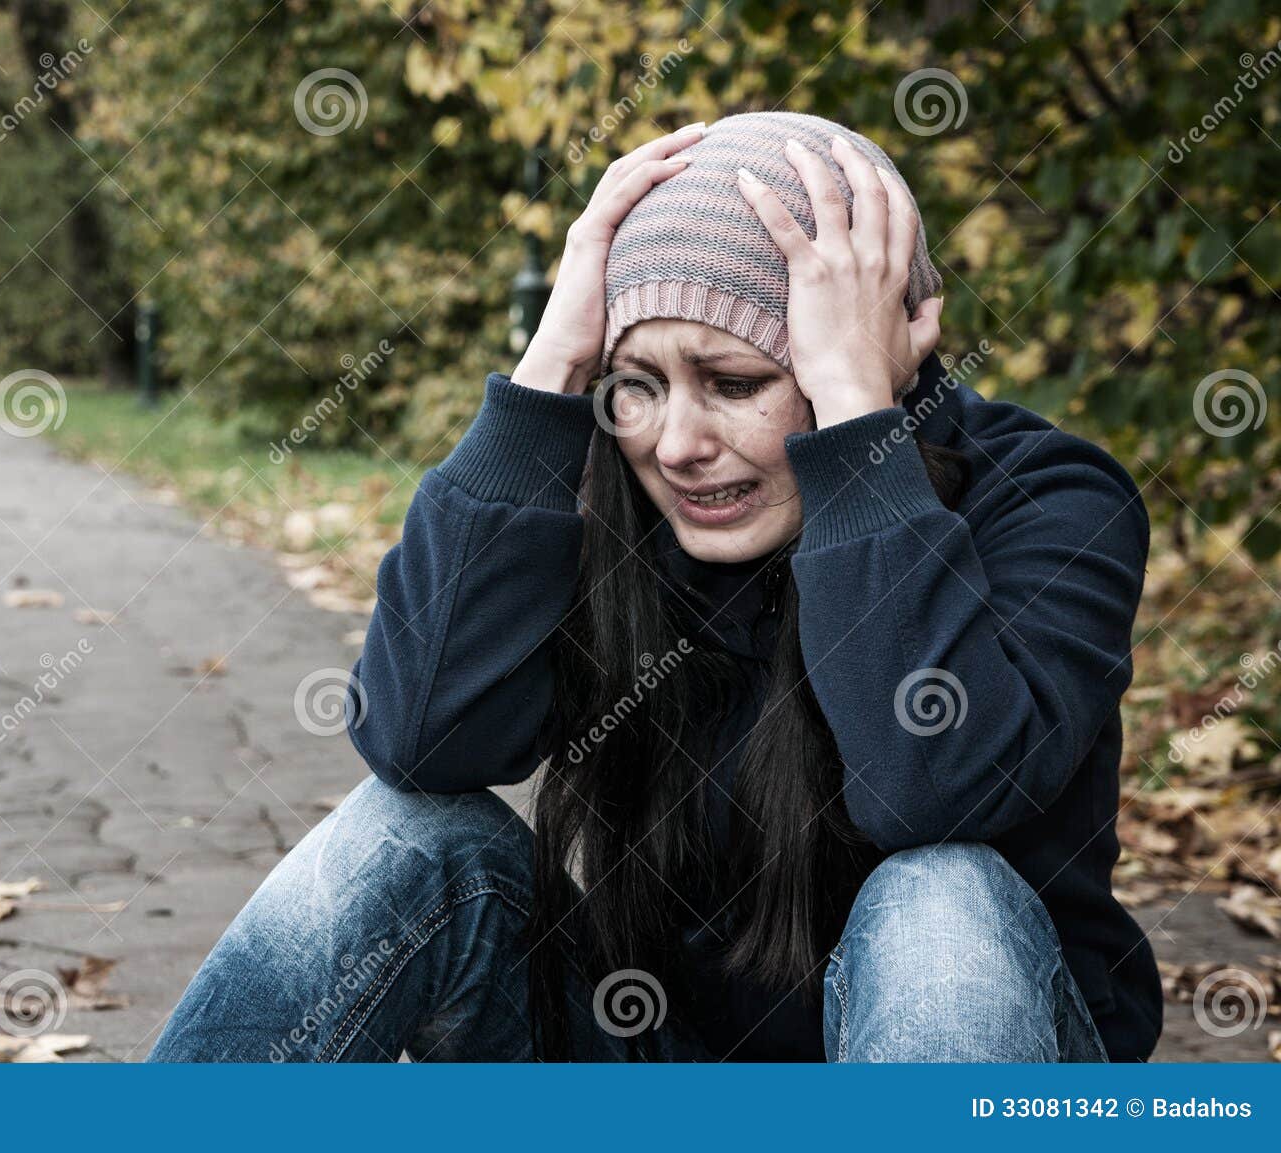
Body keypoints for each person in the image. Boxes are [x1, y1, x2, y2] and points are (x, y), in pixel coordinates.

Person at [149, 111, 1162, 1063]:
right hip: (654, 1069)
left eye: (735, 383)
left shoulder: (1049, 502)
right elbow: (422, 738)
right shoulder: (613, 499)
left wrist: (859, 427)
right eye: (636, 383)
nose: (676, 445)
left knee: (940, 897)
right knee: (401, 833)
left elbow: (931, 789)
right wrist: (553, 363)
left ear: (883, 348)